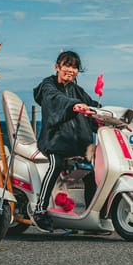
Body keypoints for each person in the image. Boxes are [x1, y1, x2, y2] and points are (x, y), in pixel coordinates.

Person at [32, 50, 101, 232]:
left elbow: (92, 104)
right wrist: (73, 105)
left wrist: (107, 114)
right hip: (54, 140)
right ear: (57, 67)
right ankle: (39, 209)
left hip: (76, 143)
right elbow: (56, 99)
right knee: (56, 164)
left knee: (91, 174)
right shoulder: (48, 85)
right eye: (67, 65)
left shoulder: (77, 90)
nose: (71, 70)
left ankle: (91, 217)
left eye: (75, 67)